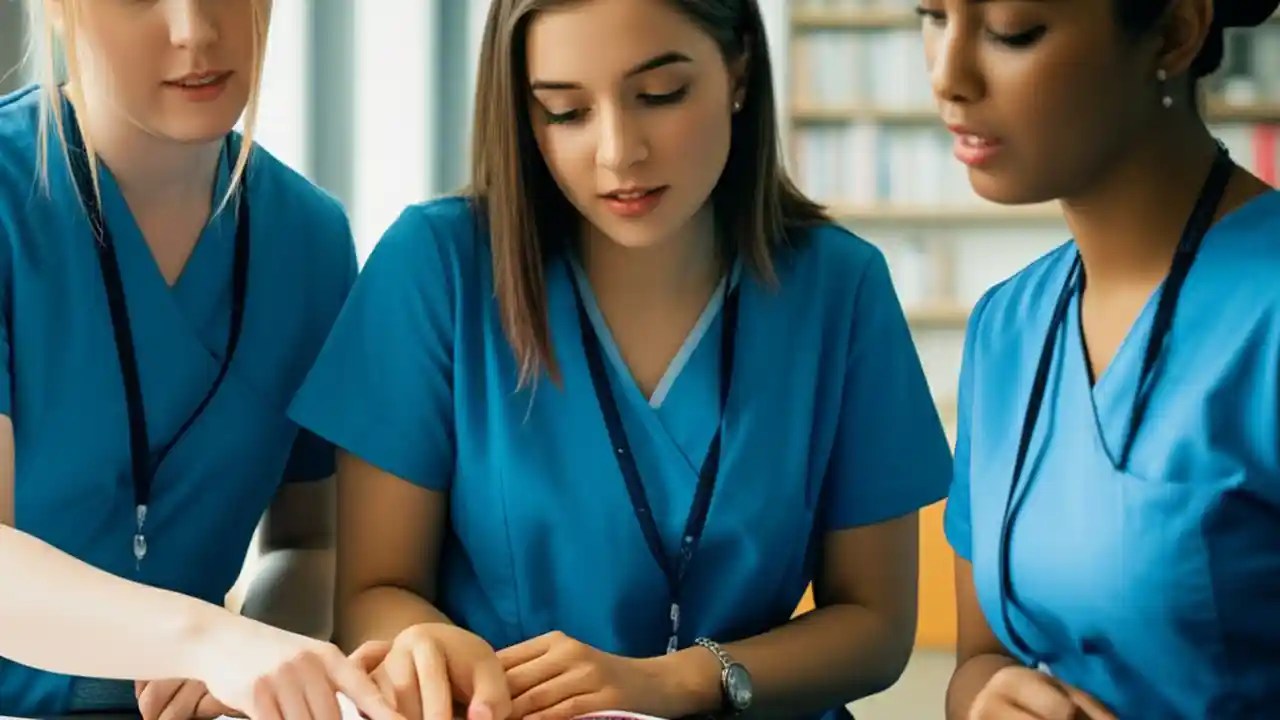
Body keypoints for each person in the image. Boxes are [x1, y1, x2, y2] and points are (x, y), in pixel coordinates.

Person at [288, 0, 954, 719]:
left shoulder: (840, 288)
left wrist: (679, 681)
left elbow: (877, 627)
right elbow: (370, 593)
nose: (618, 152)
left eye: (660, 95)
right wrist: (427, 645)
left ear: (739, 73)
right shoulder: (434, 267)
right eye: (565, 111)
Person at [0, 1, 393, 718]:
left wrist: (259, 647)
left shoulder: (312, 239)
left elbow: (307, 542)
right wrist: (205, 640)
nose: (194, 29)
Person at [921, 0, 1280, 716]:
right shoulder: (1005, 328)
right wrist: (985, 703)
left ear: (1176, 32)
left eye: (1011, 32)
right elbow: (981, 660)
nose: (948, 76)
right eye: (930, 16)